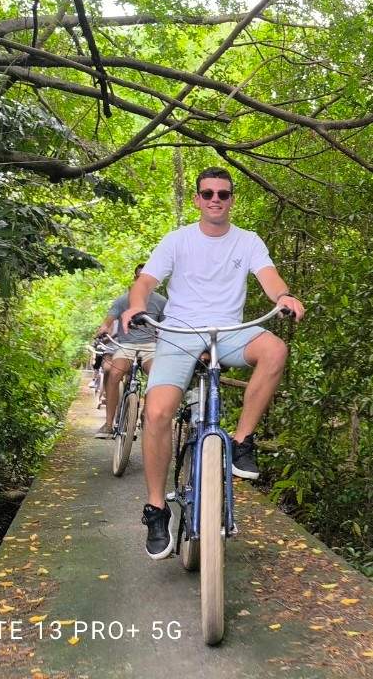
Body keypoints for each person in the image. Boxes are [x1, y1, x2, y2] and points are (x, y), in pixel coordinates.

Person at [121, 167, 305, 560]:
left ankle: (241, 441)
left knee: (274, 350)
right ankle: (156, 508)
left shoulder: (248, 241)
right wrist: (137, 306)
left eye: (223, 194)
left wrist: (284, 297)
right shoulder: (177, 240)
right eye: (208, 194)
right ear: (197, 199)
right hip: (180, 333)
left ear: (232, 199)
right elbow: (146, 282)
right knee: (157, 413)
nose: (216, 200)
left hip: (229, 332)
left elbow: (269, 277)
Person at [92, 264, 167, 438]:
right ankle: (109, 424)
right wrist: (103, 329)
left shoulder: (161, 302)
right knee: (115, 374)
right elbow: (108, 321)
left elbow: (166, 325)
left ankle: (146, 414)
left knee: (157, 376)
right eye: (139, 277)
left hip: (150, 346)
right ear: (135, 279)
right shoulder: (123, 300)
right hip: (126, 346)